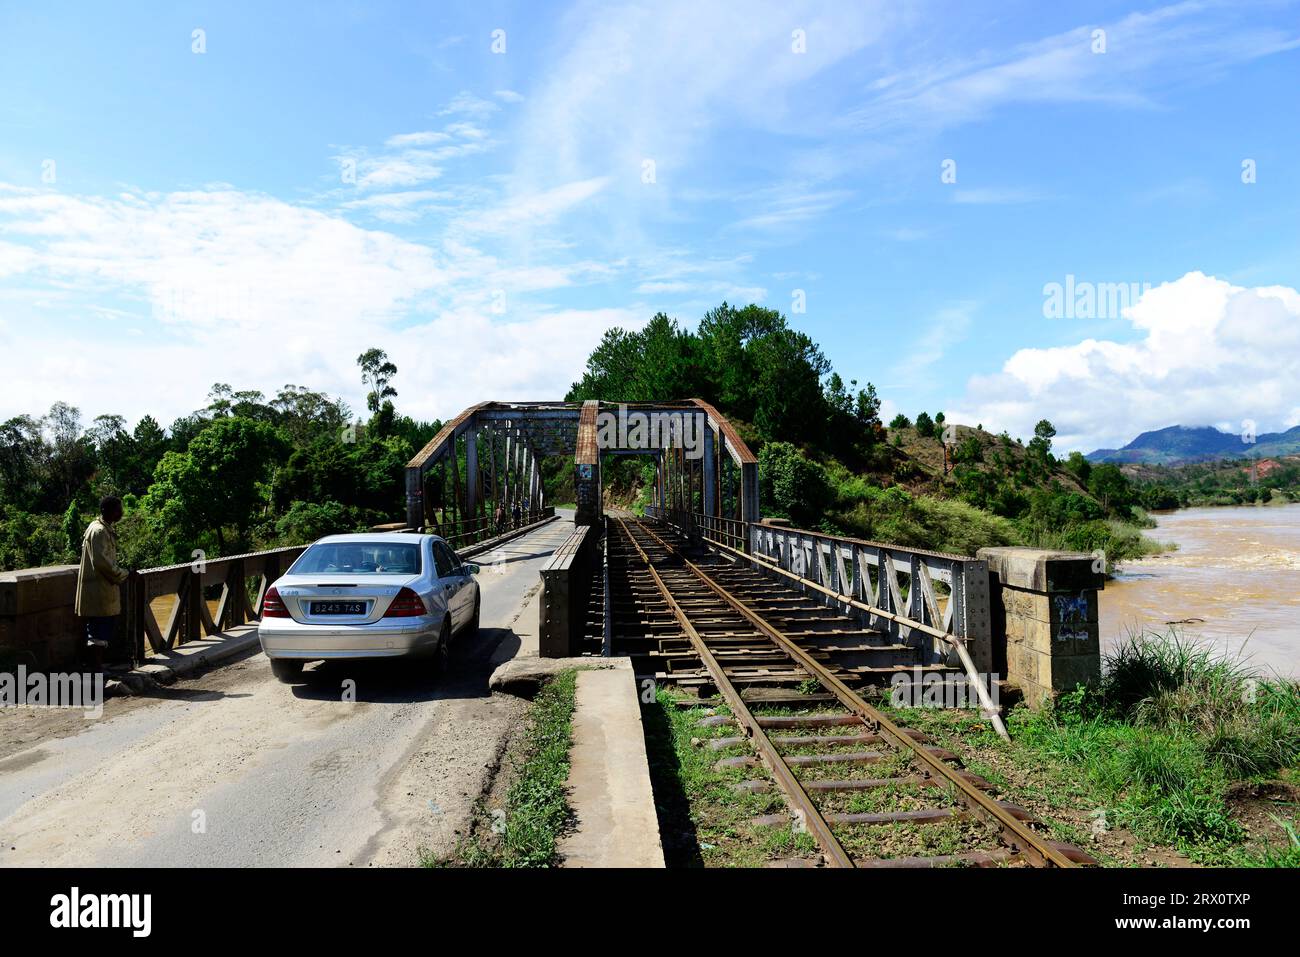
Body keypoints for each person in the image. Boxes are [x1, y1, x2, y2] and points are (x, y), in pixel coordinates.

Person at [75, 495, 130, 671]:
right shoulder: (99, 531)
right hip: (98, 590)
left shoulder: (102, 528)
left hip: (101, 589)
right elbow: (102, 563)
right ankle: (95, 668)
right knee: (98, 628)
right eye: (118, 509)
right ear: (108, 511)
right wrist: (124, 574)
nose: (121, 513)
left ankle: (97, 666)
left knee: (102, 627)